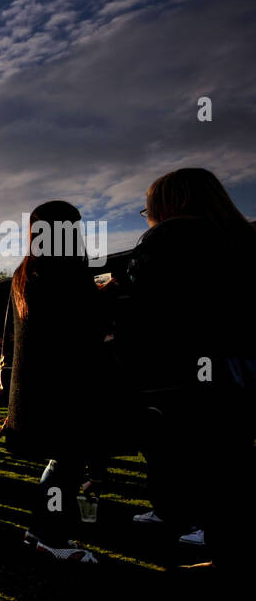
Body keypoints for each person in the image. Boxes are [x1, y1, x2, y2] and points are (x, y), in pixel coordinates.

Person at [114, 168, 256, 572]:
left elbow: (141, 315)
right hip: (244, 367)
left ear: (165, 206)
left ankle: (228, 558)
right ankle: (233, 551)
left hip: (190, 373)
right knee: (233, 463)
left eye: (147, 209)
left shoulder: (165, 239)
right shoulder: (242, 238)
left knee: (205, 468)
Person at [4, 200, 103, 563]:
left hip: (37, 384)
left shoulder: (26, 271)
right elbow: (81, 328)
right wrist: (102, 299)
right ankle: (51, 537)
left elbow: (22, 334)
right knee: (69, 462)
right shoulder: (67, 269)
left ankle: (40, 528)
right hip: (66, 383)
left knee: (62, 461)